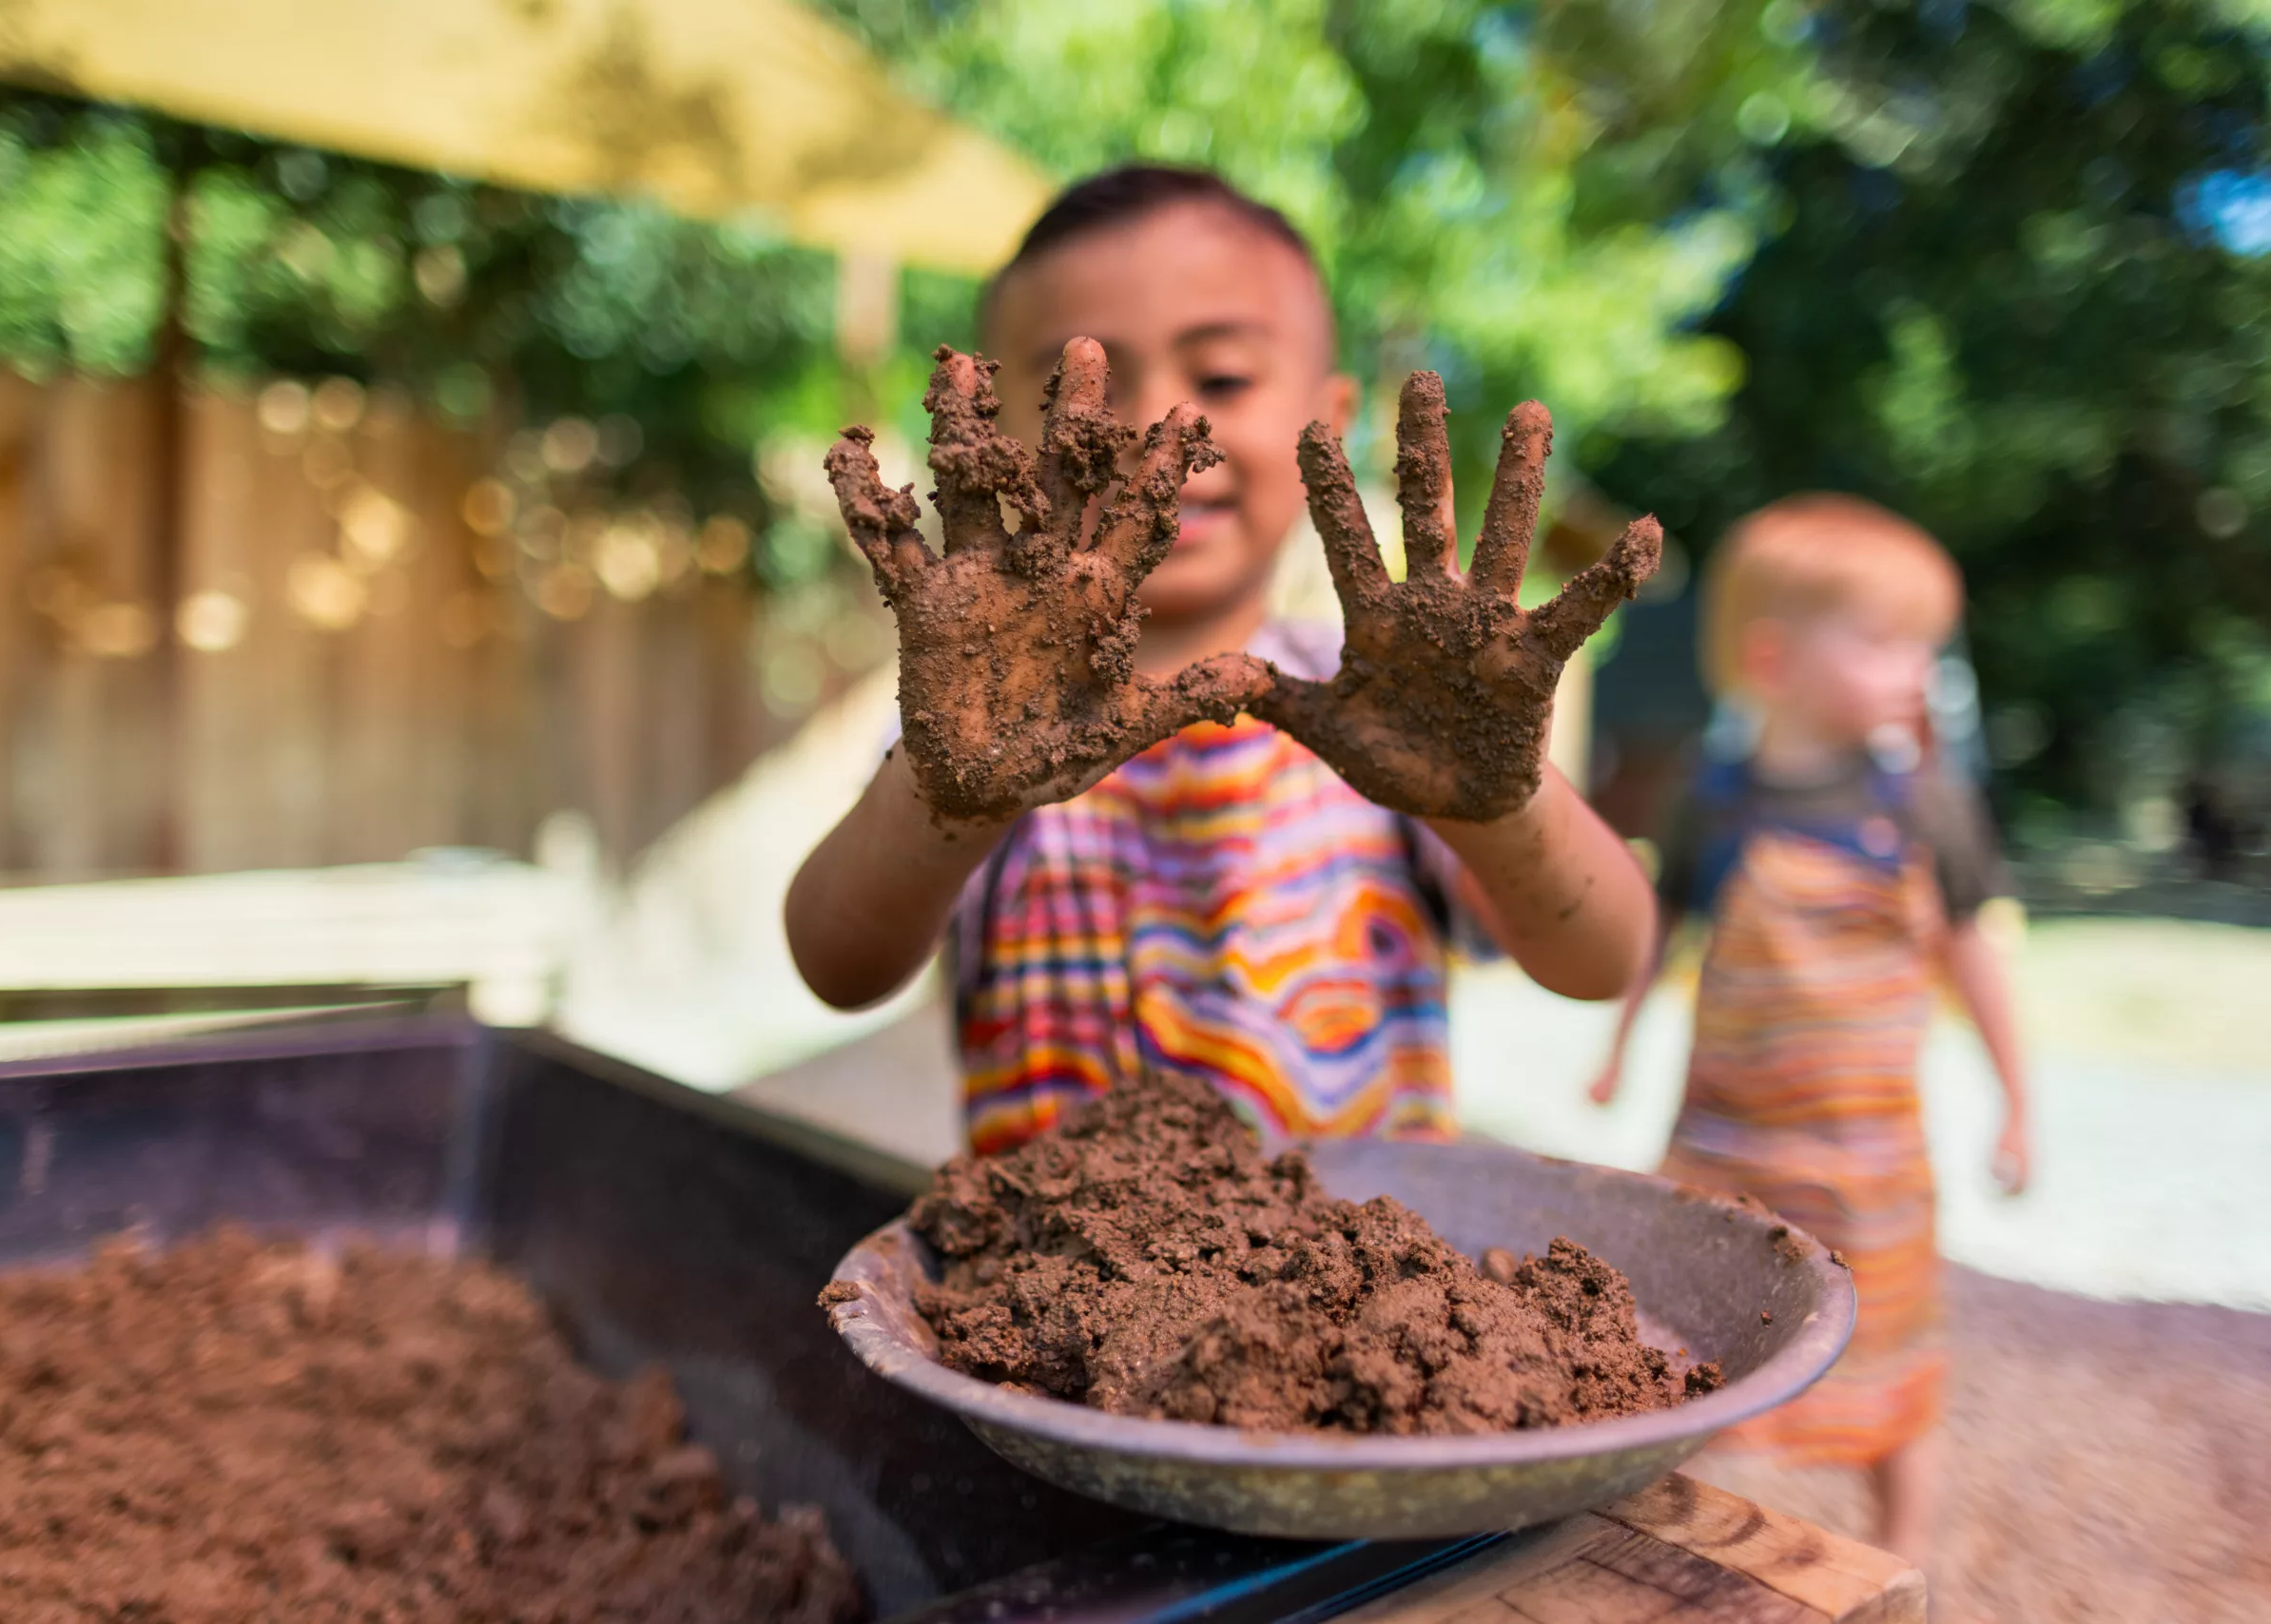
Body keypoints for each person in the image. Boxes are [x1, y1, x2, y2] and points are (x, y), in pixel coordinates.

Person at [786, 164, 1660, 1154]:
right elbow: (836, 966)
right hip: (1050, 1295)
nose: (1162, 425)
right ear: (996, 440)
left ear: (1327, 418)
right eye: (1089, 387)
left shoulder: (1385, 709)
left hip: (1361, 1294)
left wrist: (1503, 804)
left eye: (1223, 378)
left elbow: (1604, 959)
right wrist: (944, 796)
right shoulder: (973, 725)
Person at [1586, 493, 2032, 1562]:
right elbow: (1663, 926)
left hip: (1870, 1156)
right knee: (1687, 1329)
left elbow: (1970, 951)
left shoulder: (1924, 804)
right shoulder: (1714, 795)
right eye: (1885, 643)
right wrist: (1616, 1043)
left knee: (1894, 1348)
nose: (1917, 669)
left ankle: (1903, 1547)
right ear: (1773, 656)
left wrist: (2017, 1100)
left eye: (1926, 644)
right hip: (1722, 1140)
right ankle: (1652, 1537)